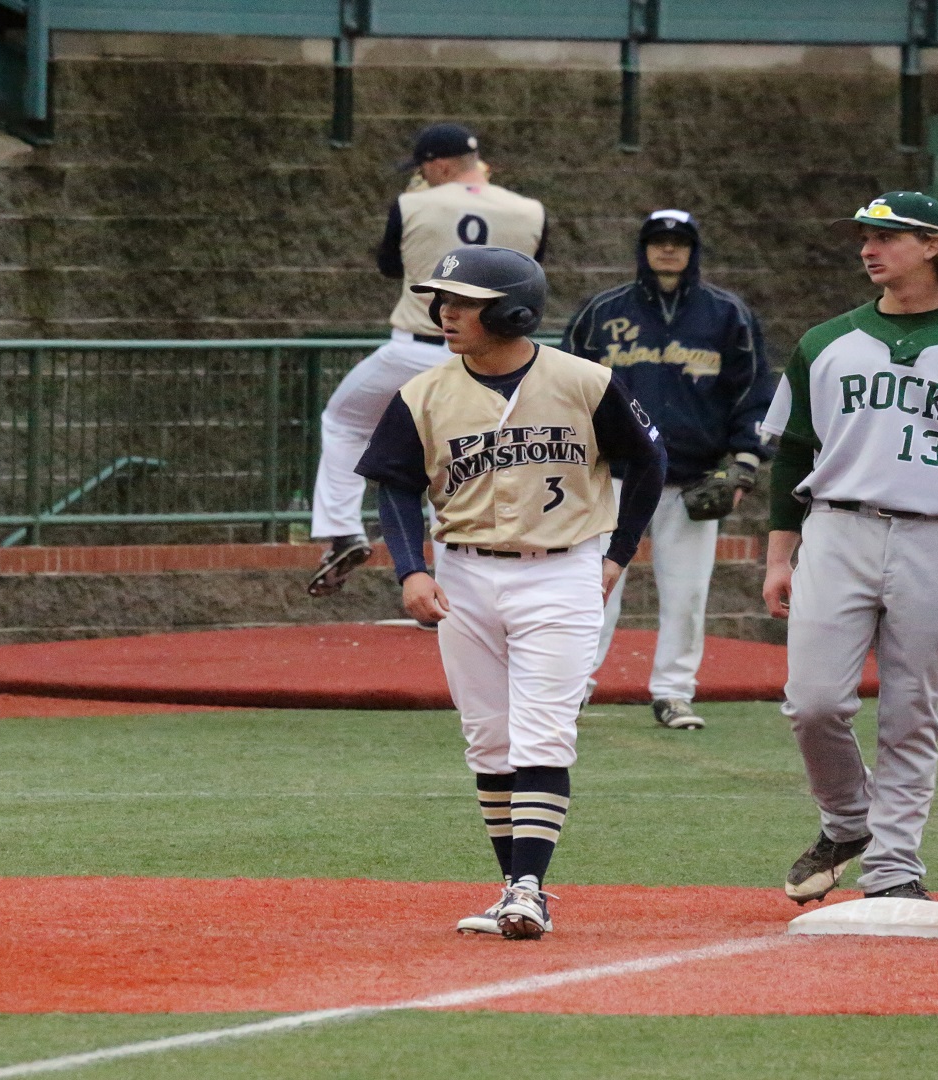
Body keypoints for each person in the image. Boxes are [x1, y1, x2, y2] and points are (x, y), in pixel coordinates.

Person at [355, 246, 664, 938]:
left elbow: (648, 461)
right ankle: (511, 888)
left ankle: (530, 888)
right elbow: (397, 486)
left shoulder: (583, 381)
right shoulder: (424, 393)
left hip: (561, 571)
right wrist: (412, 568)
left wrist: (618, 554)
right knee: (489, 740)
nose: (445, 313)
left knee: (543, 731)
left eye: (463, 302)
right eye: (443, 301)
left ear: (512, 311)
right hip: (464, 572)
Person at [761, 191, 938, 903]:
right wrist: (777, 555)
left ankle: (894, 869)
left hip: (936, 534)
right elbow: (793, 452)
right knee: (814, 703)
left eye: (887, 235)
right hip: (837, 528)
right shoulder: (826, 343)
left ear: (933, 246)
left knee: (913, 708)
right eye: (864, 234)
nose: (868, 247)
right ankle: (848, 820)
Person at [307, 123, 548, 598]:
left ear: (438, 165)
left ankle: (342, 531)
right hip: (495, 357)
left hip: (416, 348)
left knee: (343, 421)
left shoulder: (413, 203)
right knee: (461, 460)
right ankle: (458, 586)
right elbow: (531, 275)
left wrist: (418, 205)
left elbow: (390, 266)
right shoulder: (530, 209)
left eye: (423, 168)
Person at [560, 209, 775, 730]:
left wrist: (745, 462)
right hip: (612, 474)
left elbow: (753, 391)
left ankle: (675, 692)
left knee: (687, 593)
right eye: (658, 241)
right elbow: (565, 382)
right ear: (643, 247)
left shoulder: (727, 314)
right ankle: (573, 690)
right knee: (596, 588)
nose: (668, 250)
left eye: (679, 241)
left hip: (692, 477)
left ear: (694, 248)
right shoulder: (603, 310)